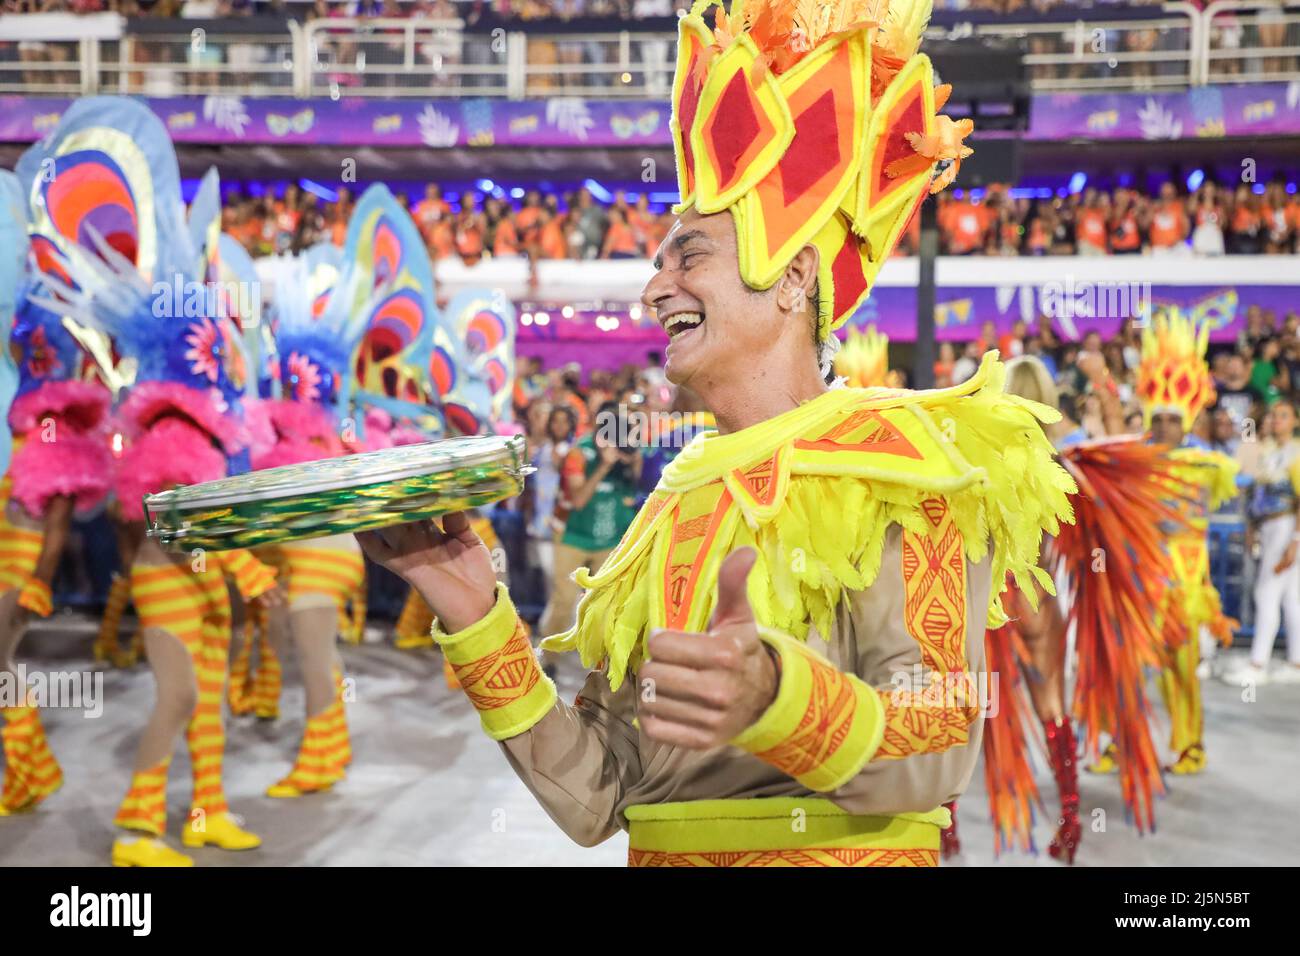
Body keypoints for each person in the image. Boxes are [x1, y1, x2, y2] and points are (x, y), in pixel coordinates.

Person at [358, 0, 1072, 868]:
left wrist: (781, 699)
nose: (652, 290)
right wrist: (475, 614)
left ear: (792, 276)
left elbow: (939, 741)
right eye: (660, 261)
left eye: (686, 255)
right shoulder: (673, 505)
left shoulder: (898, 464)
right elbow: (598, 798)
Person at [1137, 311, 1240, 775]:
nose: (1161, 426)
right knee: (1136, 669)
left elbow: (1219, 476)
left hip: (1184, 585)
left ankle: (1190, 746)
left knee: (1183, 666)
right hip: (1143, 581)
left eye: (1169, 420)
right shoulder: (1137, 466)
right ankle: (1125, 748)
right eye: (1155, 419)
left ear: (1184, 423)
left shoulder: (1203, 464)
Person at [1225, 399, 1300, 685]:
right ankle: (1296, 660)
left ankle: (1258, 664)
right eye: (1274, 415)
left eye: (1284, 415)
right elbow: (1254, 491)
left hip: (1286, 525)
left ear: (1294, 421)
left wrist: (1295, 539)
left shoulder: (1296, 453)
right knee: (1291, 596)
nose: (1277, 420)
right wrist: (1252, 526)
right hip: (1268, 525)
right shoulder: (1269, 451)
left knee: (1266, 591)